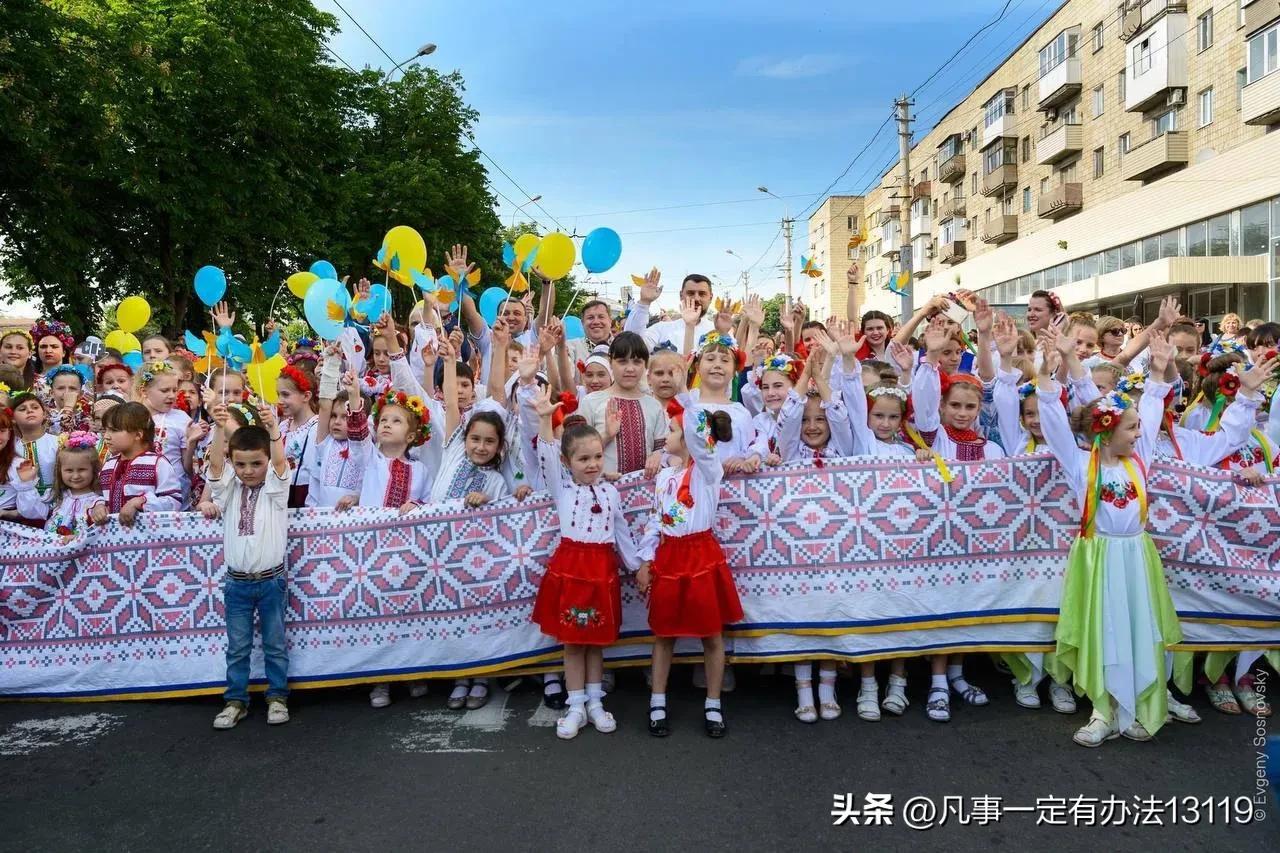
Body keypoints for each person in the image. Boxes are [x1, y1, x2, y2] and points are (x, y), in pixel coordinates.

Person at [1037, 330, 1274, 746]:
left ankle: (1138, 706)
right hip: (1098, 559)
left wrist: (1240, 395)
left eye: (1136, 428)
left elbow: (1151, 403)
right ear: (1105, 433)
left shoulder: (1139, 460)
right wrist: (1049, 368)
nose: (1138, 434)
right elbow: (1054, 420)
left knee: (1138, 628)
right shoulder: (1079, 464)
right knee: (1103, 630)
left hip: (1137, 556)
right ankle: (1103, 710)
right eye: (1129, 429)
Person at [530, 384, 645, 740]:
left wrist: (637, 566)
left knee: (595, 640)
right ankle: (576, 703)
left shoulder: (611, 491)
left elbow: (622, 533)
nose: (593, 464)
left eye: (597, 457)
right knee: (573, 641)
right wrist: (546, 420)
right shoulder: (562, 489)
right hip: (572, 570)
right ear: (568, 464)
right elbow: (548, 456)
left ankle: (596, 701)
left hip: (601, 571)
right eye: (583, 459)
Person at [637, 397, 742, 738]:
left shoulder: (708, 470)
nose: (666, 435)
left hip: (700, 555)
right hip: (670, 556)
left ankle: (713, 705)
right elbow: (658, 518)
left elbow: (701, 434)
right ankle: (657, 701)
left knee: (712, 634)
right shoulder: (665, 475)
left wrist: (687, 397)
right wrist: (646, 559)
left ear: (689, 437)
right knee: (663, 634)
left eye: (671, 429)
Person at [200, 400, 292, 729]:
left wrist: (273, 430)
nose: (248, 470)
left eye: (256, 463)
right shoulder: (228, 491)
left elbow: (280, 463)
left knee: (274, 643)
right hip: (237, 583)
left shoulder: (275, 490)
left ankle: (278, 697)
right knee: (237, 646)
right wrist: (217, 426)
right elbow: (215, 467)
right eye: (241, 464)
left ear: (266, 462)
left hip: (271, 582)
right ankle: (235, 701)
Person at [91, 401, 184, 525]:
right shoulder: (108, 465)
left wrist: (140, 502)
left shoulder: (157, 463)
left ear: (138, 434)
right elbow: (101, 496)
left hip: (148, 539)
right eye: (106, 430)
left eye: (114, 430)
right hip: (113, 540)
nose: (106, 436)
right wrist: (98, 506)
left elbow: (173, 501)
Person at [14, 430, 101, 538]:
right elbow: (33, 512)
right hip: (54, 550)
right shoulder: (57, 496)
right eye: (69, 470)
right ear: (60, 471)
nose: (75, 476)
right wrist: (27, 485)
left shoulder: (98, 501)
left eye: (82, 470)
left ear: (94, 469)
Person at [623, 269, 715, 355]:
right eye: (690, 293)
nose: (696, 298)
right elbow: (631, 346)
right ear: (681, 295)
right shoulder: (662, 329)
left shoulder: (718, 332)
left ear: (710, 298)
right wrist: (644, 303)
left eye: (702, 294)